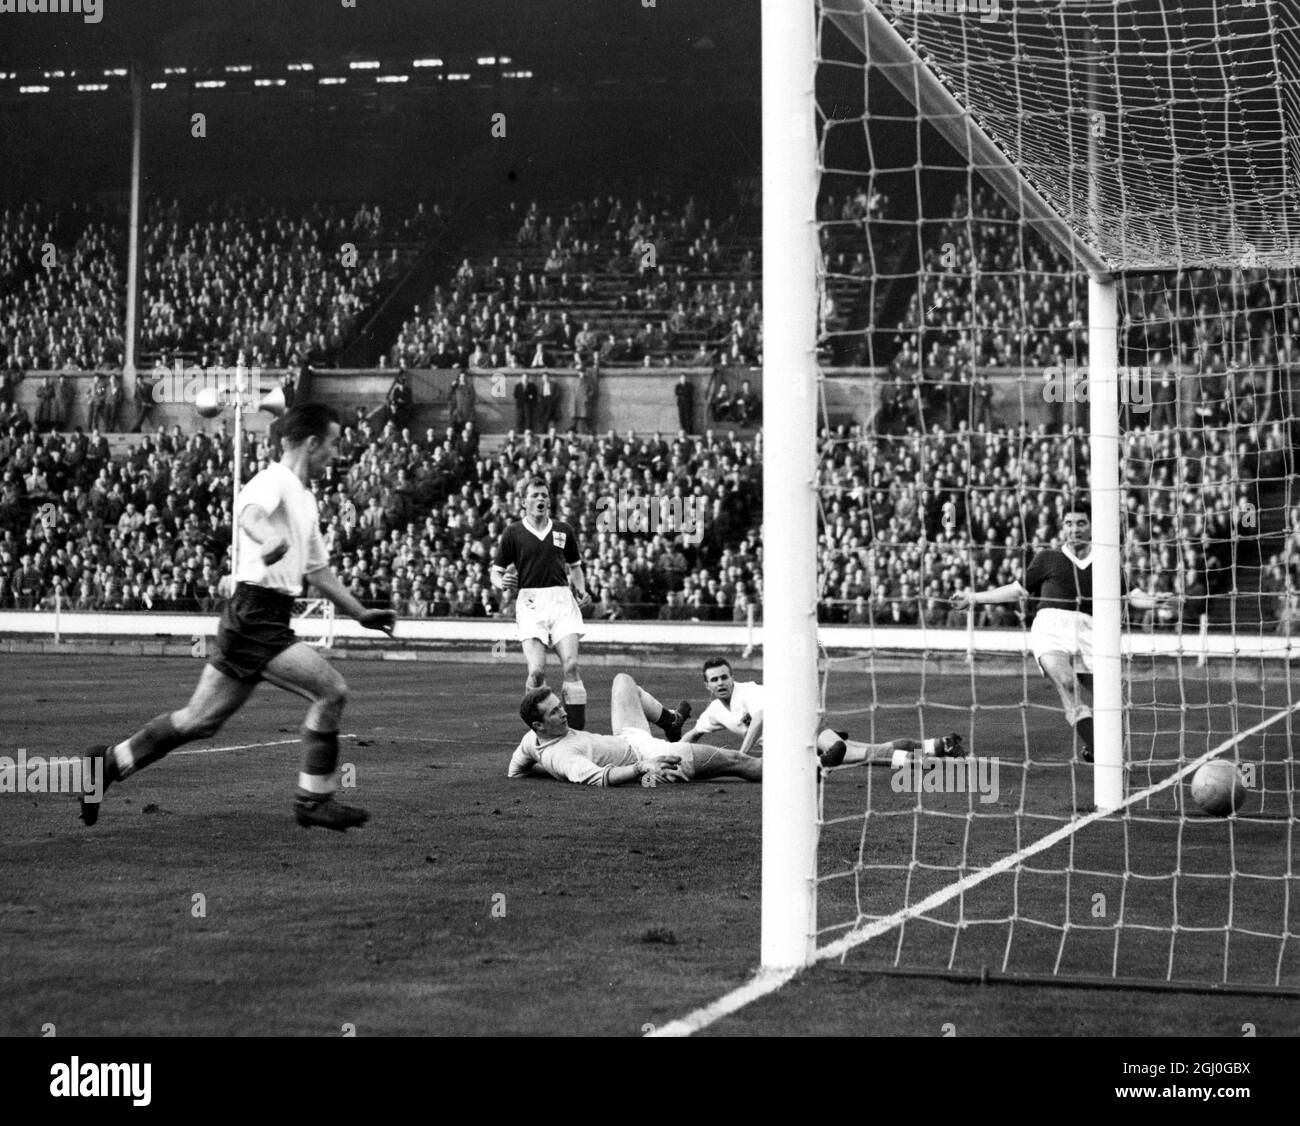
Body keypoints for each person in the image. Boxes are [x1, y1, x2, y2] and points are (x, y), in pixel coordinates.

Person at [78, 403, 397, 831]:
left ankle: (108, 764)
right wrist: (267, 540)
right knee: (331, 692)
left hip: (261, 616)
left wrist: (360, 612)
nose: (336, 454)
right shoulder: (274, 479)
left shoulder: (304, 497)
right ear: (312, 442)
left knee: (199, 721)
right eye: (334, 444)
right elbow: (250, 514)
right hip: (256, 614)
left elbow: (317, 569)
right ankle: (313, 800)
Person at [951, 501, 1171, 762]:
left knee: (1111, 701)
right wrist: (974, 597)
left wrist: (1155, 600)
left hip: (1092, 632)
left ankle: (1095, 747)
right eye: (1069, 523)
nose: (1074, 529)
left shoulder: (1106, 560)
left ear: (1092, 526)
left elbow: (1133, 595)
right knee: (1067, 684)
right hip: (1051, 627)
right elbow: (1016, 589)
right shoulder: (1048, 557)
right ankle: (1101, 750)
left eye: (1081, 523)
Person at [679, 656, 964, 767]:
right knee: (873, 750)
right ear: (707, 685)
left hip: (803, 725)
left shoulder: (749, 690)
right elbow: (694, 734)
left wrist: (742, 753)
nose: (721, 683)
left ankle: (944, 764)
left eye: (724, 677)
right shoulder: (715, 710)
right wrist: (669, 751)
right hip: (798, 740)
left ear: (732, 676)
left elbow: (762, 719)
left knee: (863, 756)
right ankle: (938, 745)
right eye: (714, 680)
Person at [508, 674, 768, 787]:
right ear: (539, 725)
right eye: (554, 712)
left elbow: (516, 771)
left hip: (627, 737)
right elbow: (601, 778)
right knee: (739, 762)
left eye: (559, 706)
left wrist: (551, 771)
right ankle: (804, 769)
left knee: (623, 681)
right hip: (651, 756)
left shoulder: (531, 741)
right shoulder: (565, 757)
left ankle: (671, 721)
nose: (564, 712)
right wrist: (642, 768)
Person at [490, 475, 592, 728]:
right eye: (535, 495)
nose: (541, 499)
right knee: (536, 672)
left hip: (560, 600)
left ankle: (577, 734)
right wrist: (501, 583)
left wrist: (581, 590)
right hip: (530, 602)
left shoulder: (563, 529)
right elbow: (496, 571)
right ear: (523, 502)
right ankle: (540, 731)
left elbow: (576, 567)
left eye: (544, 495)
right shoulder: (513, 532)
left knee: (571, 664)